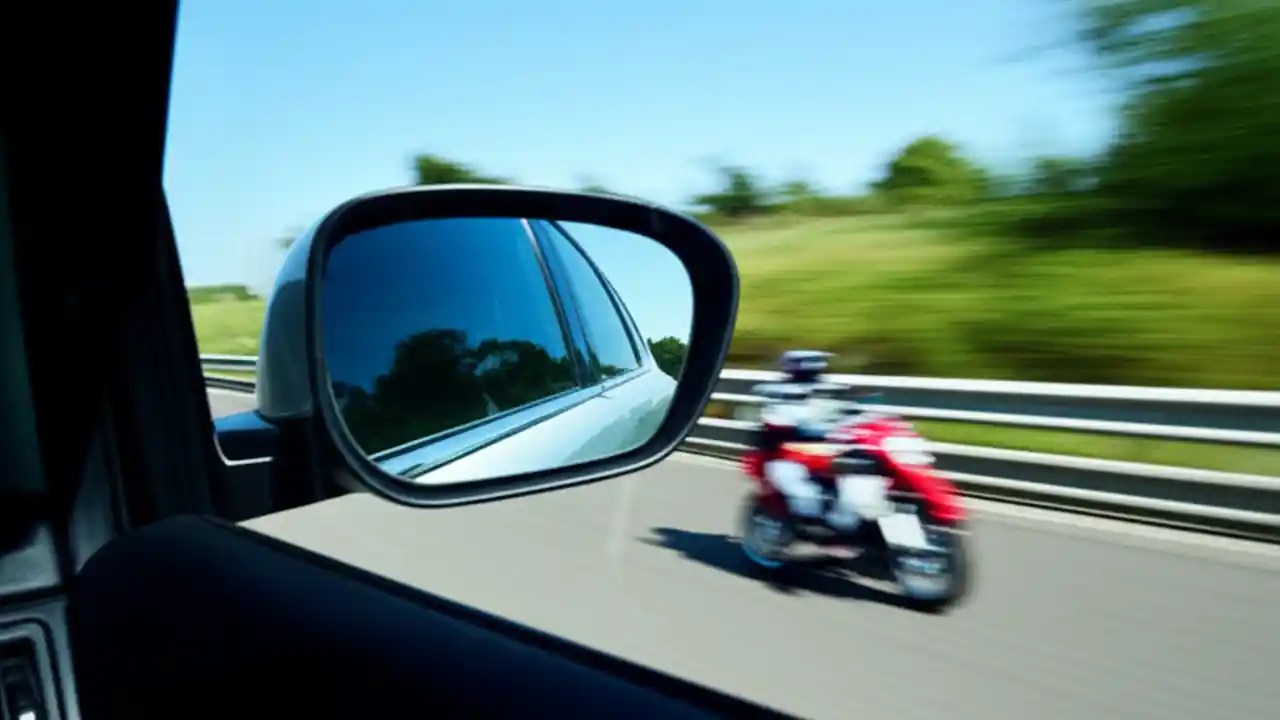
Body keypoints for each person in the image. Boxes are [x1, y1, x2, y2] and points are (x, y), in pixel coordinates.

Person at [751, 350, 867, 530]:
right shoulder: (777, 391)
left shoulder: (831, 389)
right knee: (800, 489)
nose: (809, 367)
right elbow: (770, 419)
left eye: (814, 362)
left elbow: (853, 412)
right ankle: (813, 522)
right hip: (790, 450)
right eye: (804, 362)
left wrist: (857, 420)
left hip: (831, 447)